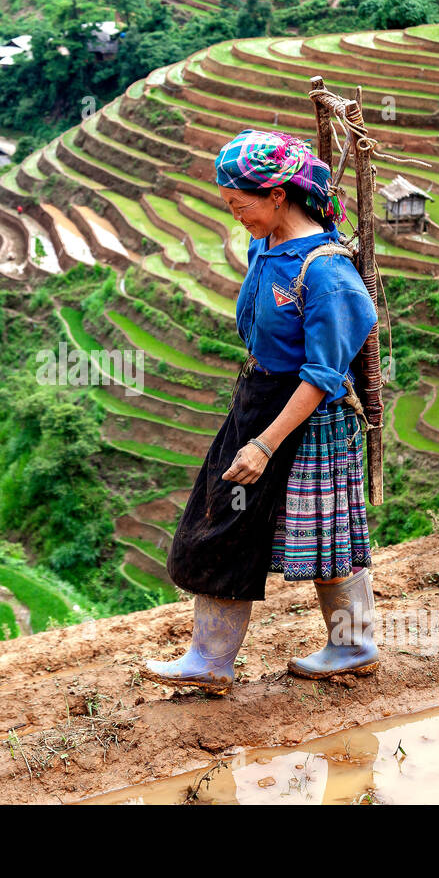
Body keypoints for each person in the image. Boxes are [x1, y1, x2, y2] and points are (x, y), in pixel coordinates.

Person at [140, 128, 380, 695]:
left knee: (328, 537)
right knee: (224, 521)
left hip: (306, 416)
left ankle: (352, 646)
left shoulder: (326, 273)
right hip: (257, 397)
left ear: (277, 194)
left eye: (238, 203)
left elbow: (323, 375)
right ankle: (210, 660)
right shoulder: (266, 245)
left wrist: (265, 444)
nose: (235, 214)